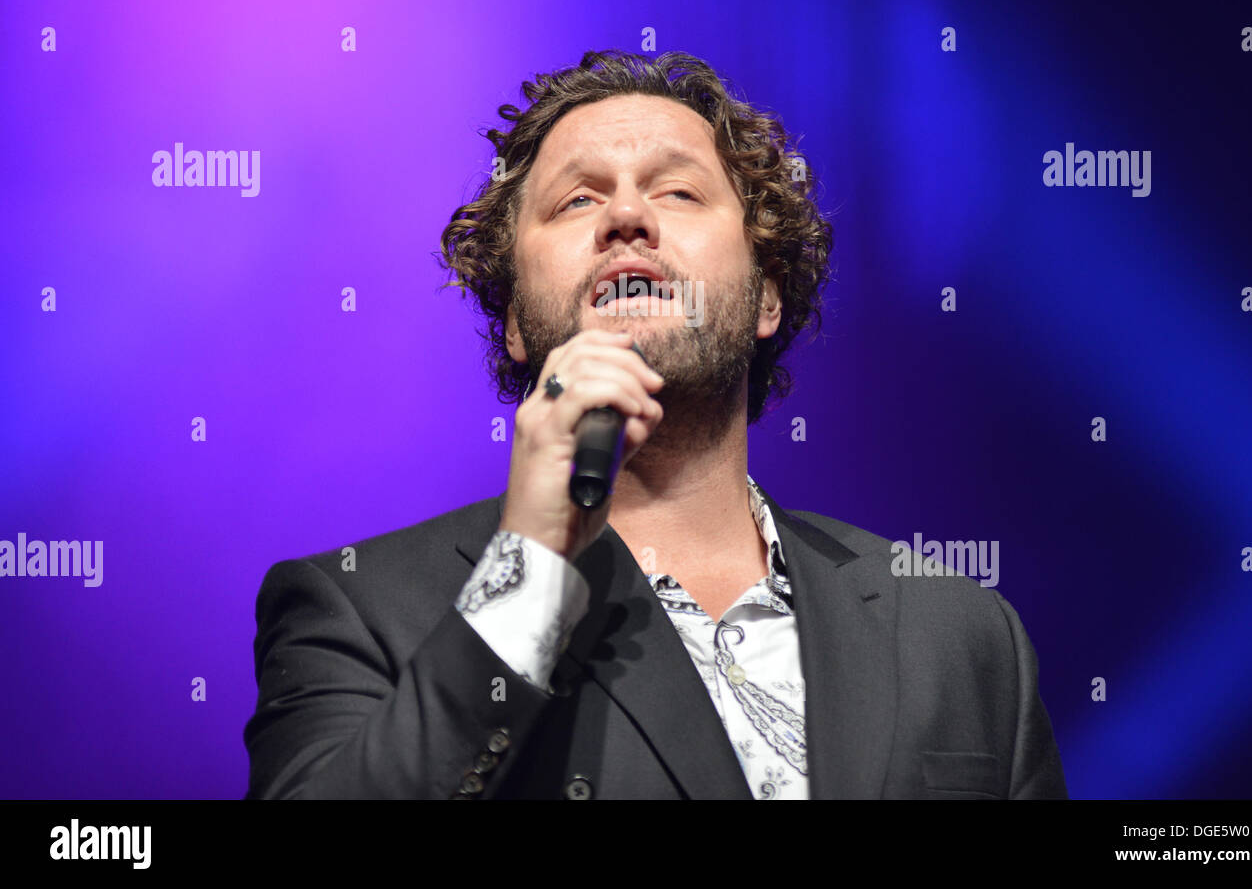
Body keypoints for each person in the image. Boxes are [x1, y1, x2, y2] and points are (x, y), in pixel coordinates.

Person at [242, 49, 1068, 800]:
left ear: (768, 298)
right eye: (576, 199)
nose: (626, 219)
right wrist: (528, 570)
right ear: (517, 325)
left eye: (678, 191)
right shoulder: (360, 606)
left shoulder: (957, 631)